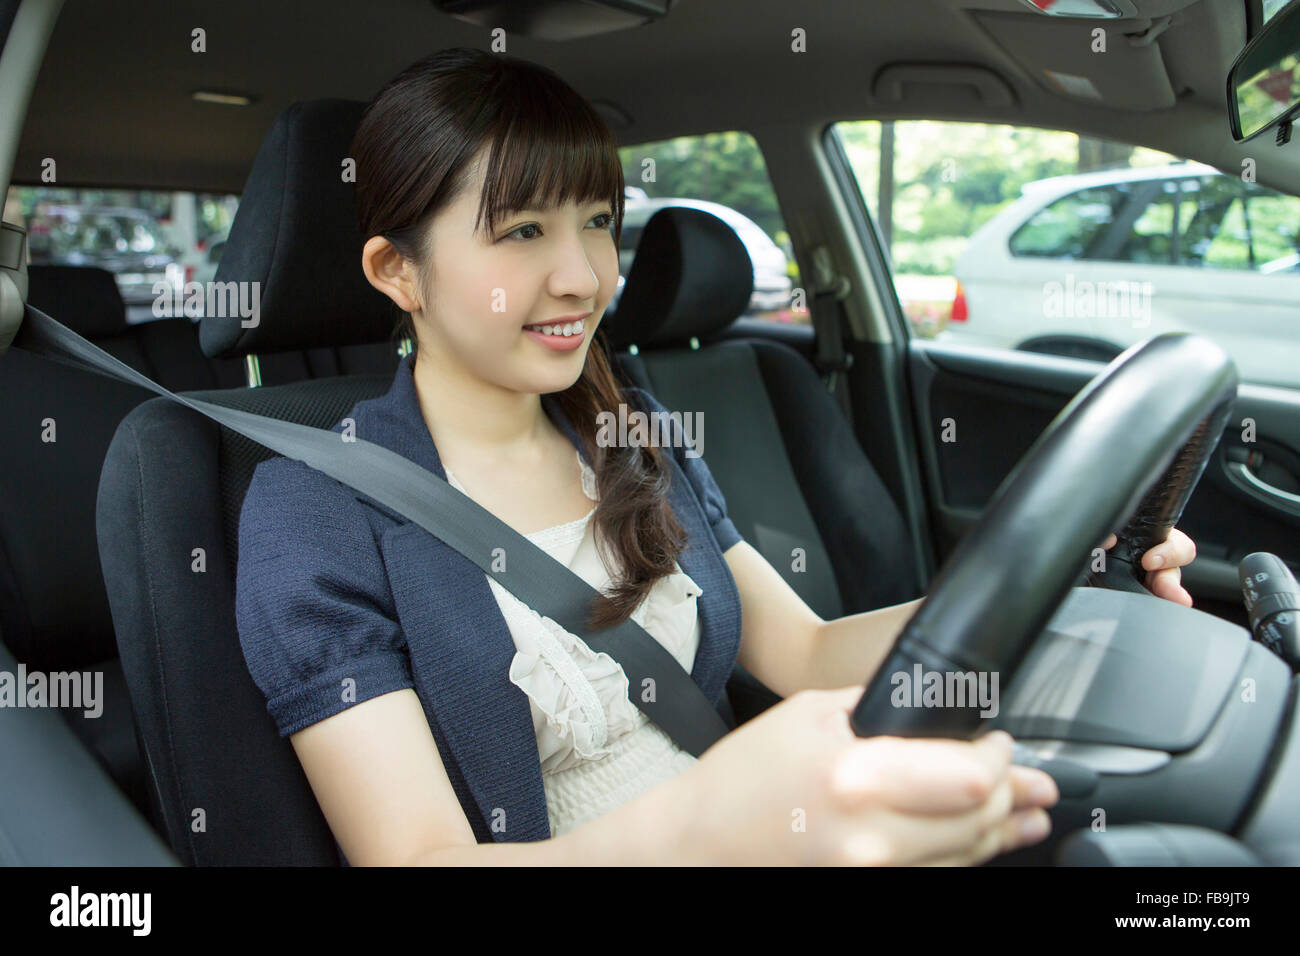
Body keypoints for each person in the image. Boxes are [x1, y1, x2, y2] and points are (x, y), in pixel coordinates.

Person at [234, 47, 1199, 866]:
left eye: (599, 222)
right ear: (397, 269)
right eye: (523, 230)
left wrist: (1055, 589)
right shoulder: (314, 510)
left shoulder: (634, 431)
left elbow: (812, 656)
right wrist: (707, 826)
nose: (584, 277)